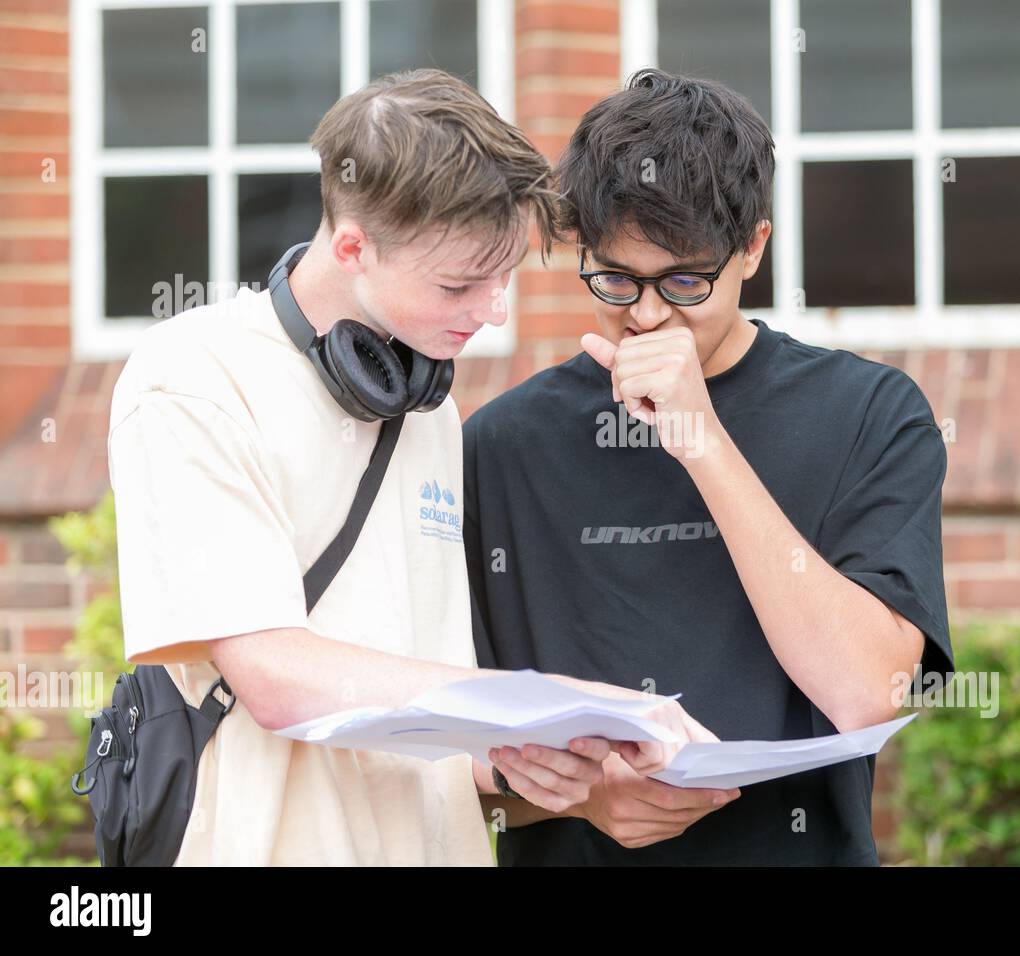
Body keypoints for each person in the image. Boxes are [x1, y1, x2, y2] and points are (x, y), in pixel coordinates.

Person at [107, 69, 707, 866]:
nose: (495, 310)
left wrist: (512, 756)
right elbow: (276, 678)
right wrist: (548, 698)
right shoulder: (189, 379)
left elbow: (416, 703)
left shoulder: (428, 408)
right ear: (352, 245)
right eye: (461, 282)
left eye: (506, 277)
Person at [463, 69, 955, 865]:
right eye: (615, 279)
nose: (649, 314)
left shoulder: (869, 415)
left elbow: (869, 693)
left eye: (687, 281)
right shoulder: (498, 446)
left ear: (753, 248)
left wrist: (703, 442)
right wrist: (587, 799)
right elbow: (438, 753)